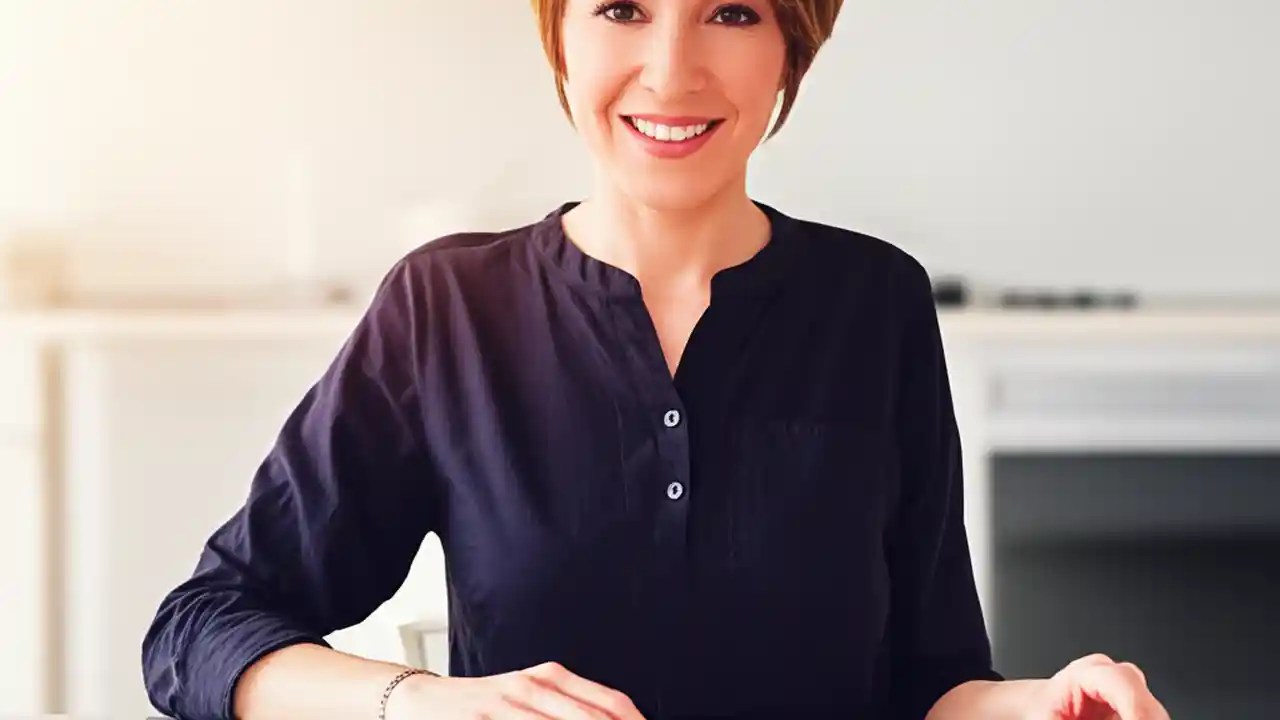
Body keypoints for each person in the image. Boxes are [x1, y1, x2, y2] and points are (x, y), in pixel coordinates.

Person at [142, 1, 1171, 719]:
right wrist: (422, 703)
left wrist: (1040, 705)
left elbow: (932, 685)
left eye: (730, 12)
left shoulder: (875, 303)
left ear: (789, 48)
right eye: (621, 8)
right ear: (559, 37)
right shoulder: (447, 308)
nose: (671, 72)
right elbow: (199, 632)